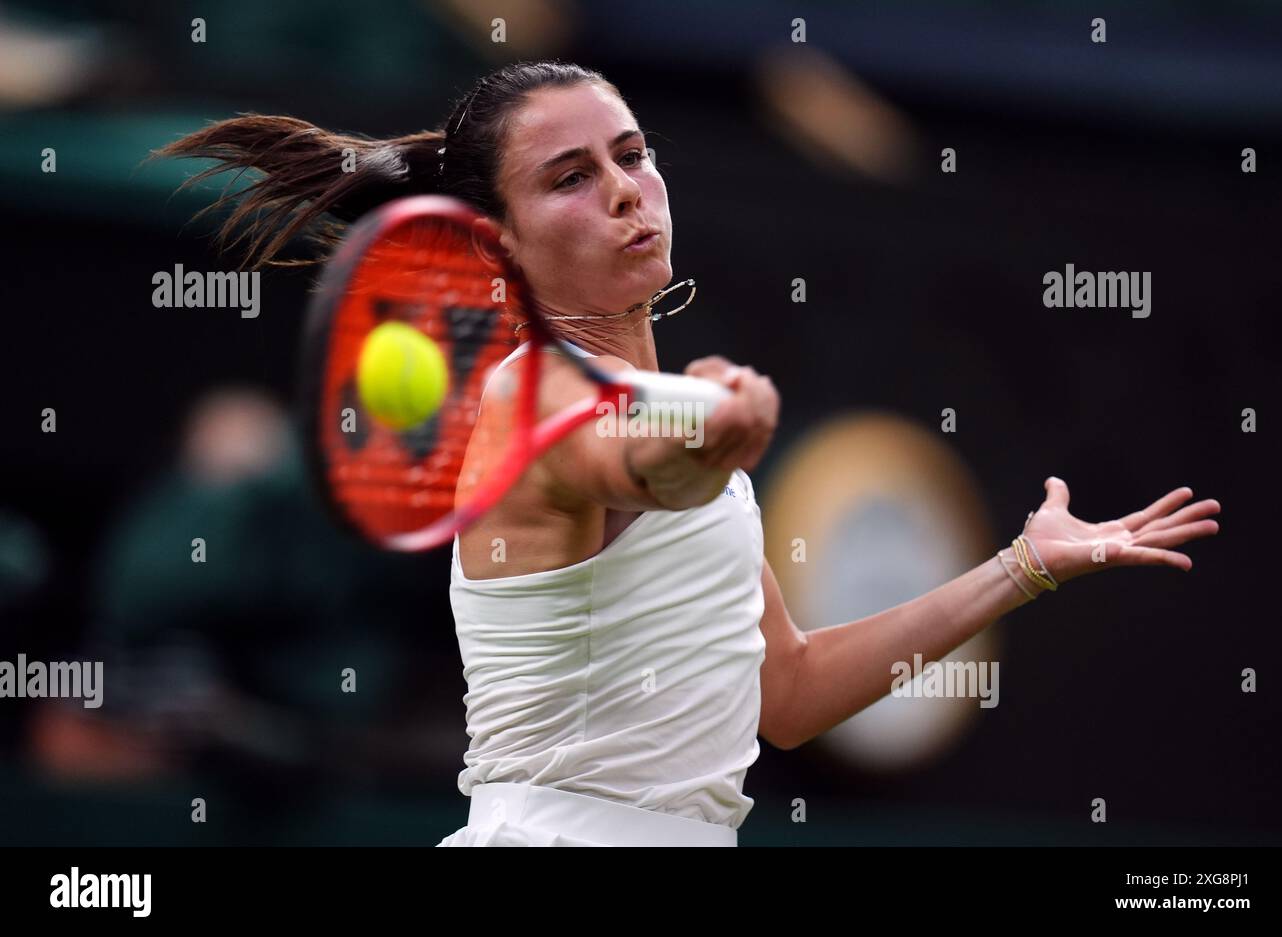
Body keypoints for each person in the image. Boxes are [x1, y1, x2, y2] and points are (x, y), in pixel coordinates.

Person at [159, 60, 1221, 847]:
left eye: (632, 154)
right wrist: (708, 436)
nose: (625, 189)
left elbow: (790, 694)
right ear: (501, 245)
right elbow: (631, 464)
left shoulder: (662, 410)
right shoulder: (533, 396)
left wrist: (1023, 566)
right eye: (569, 177)